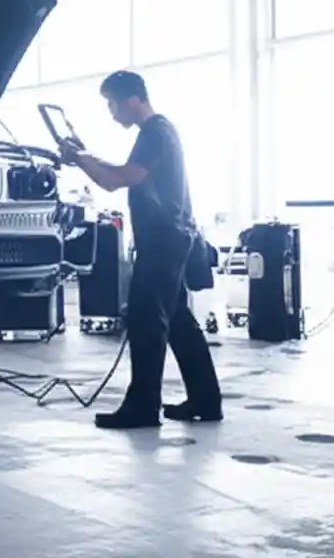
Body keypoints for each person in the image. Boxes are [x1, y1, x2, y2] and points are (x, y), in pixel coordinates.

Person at [56, 70, 223, 430]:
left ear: (132, 100)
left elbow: (117, 180)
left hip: (163, 242)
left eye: (112, 104)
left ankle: (143, 408)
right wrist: (85, 156)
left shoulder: (154, 133)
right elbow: (125, 171)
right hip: (173, 238)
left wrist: (80, 160)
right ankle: (206, 400)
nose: (112, 112)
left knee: (146, 322)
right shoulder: (161, 132)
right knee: (178, 322)